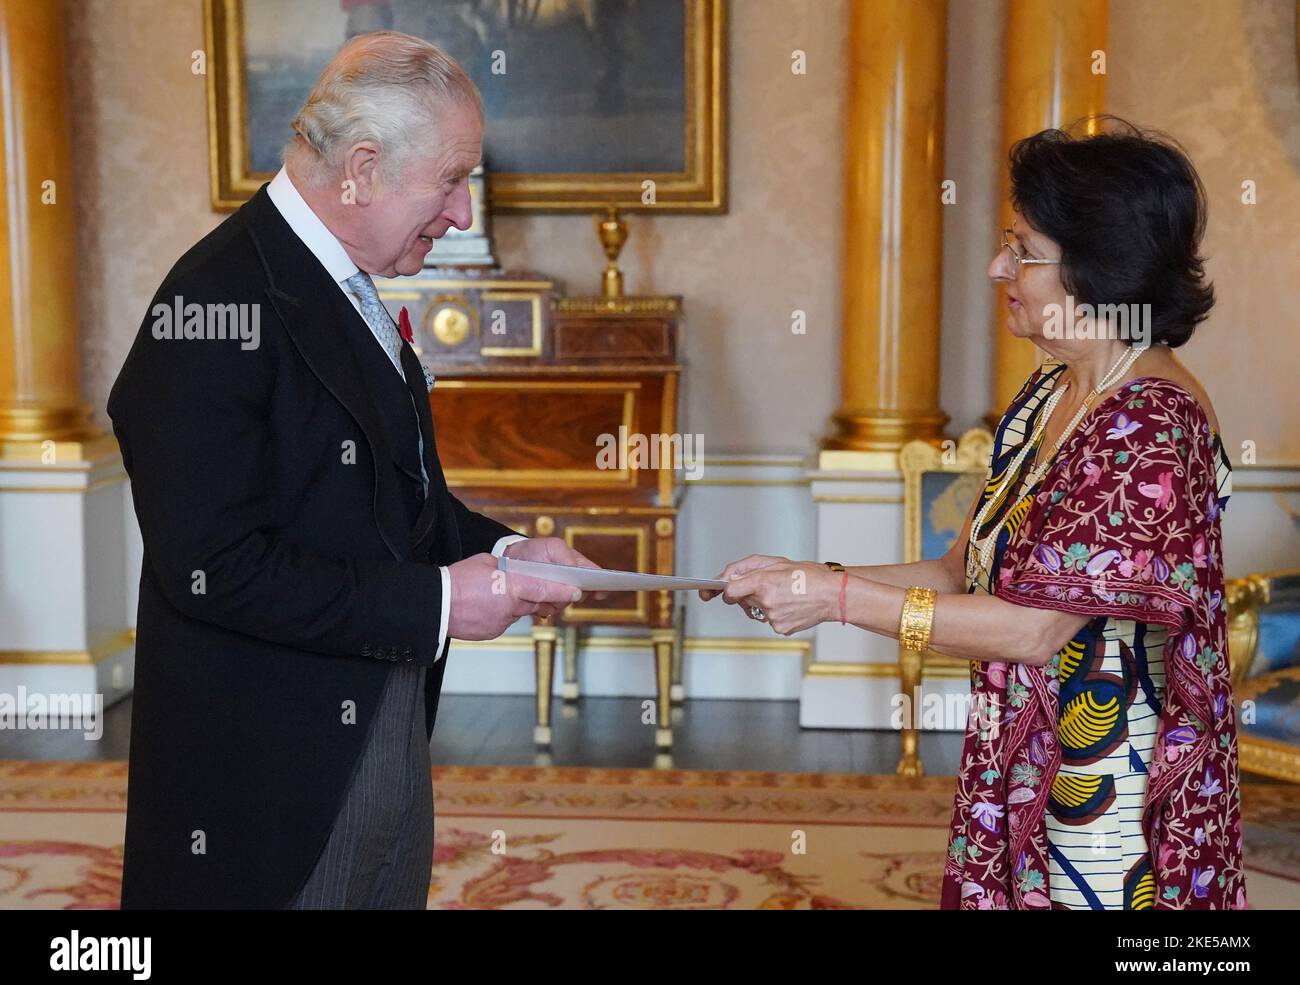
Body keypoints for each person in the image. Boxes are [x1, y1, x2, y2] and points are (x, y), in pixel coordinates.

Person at [703, 118, 1246, 910]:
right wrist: (811, 576)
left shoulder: (1149, 422)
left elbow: (1035, 627)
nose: (999, 266)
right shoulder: (1048, 395)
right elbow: (961, 571)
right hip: (1023, 757)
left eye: (1023, 250)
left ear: (1100, 267)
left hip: (1111, 800)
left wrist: (836, 601)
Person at [108, 31, 596, 909]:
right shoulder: (210, 303)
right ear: (362, 168)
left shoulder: (341, 283)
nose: (462, 216)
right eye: (451, 181)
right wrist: (444, 602)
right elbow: (212, 567)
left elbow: (390, 505)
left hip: (379, 727)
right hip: (271, 785)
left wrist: (511, 551)